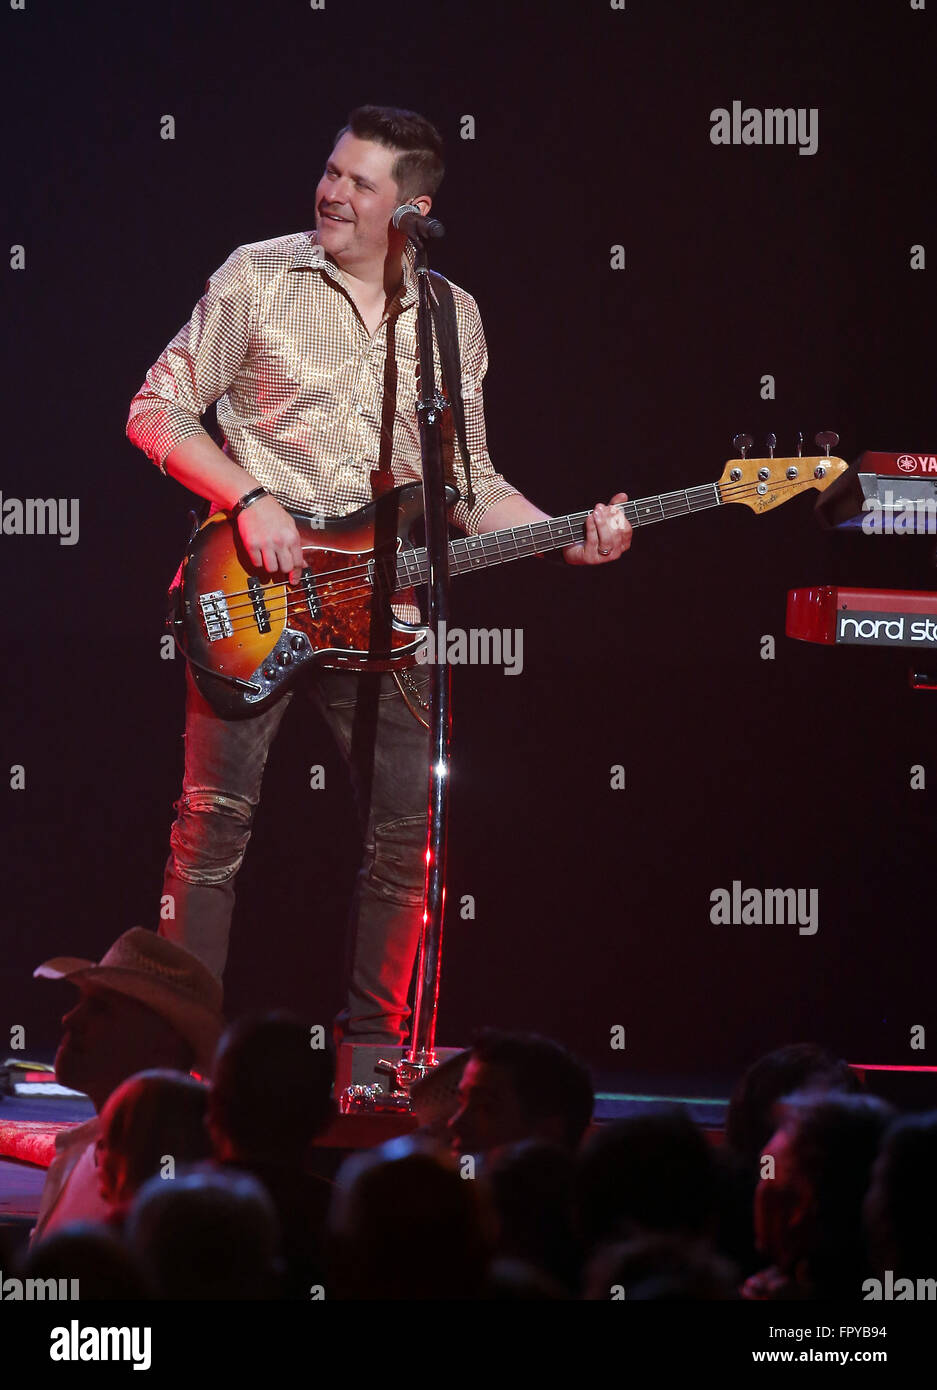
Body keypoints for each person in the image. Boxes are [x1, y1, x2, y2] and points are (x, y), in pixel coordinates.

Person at [125, 105, 632, 1047]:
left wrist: (566, 537)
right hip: (252, 595)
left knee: (408, 844)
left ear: (412, 207)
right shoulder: (258, 277)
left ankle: (374, 1066)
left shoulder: (450, 315)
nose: (332, 192)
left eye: (360, 182)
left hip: (384, 611)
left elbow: (470, 487)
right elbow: (157, 410)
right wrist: (247, 499)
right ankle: (173, 1058)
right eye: (330, 171)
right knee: (210, 836)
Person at [30, 928, 224, 1243]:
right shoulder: (79, 1153)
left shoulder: (176, 1202)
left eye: (101, 1009)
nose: (69, 1019)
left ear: (164, 1045)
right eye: (82, 1002)